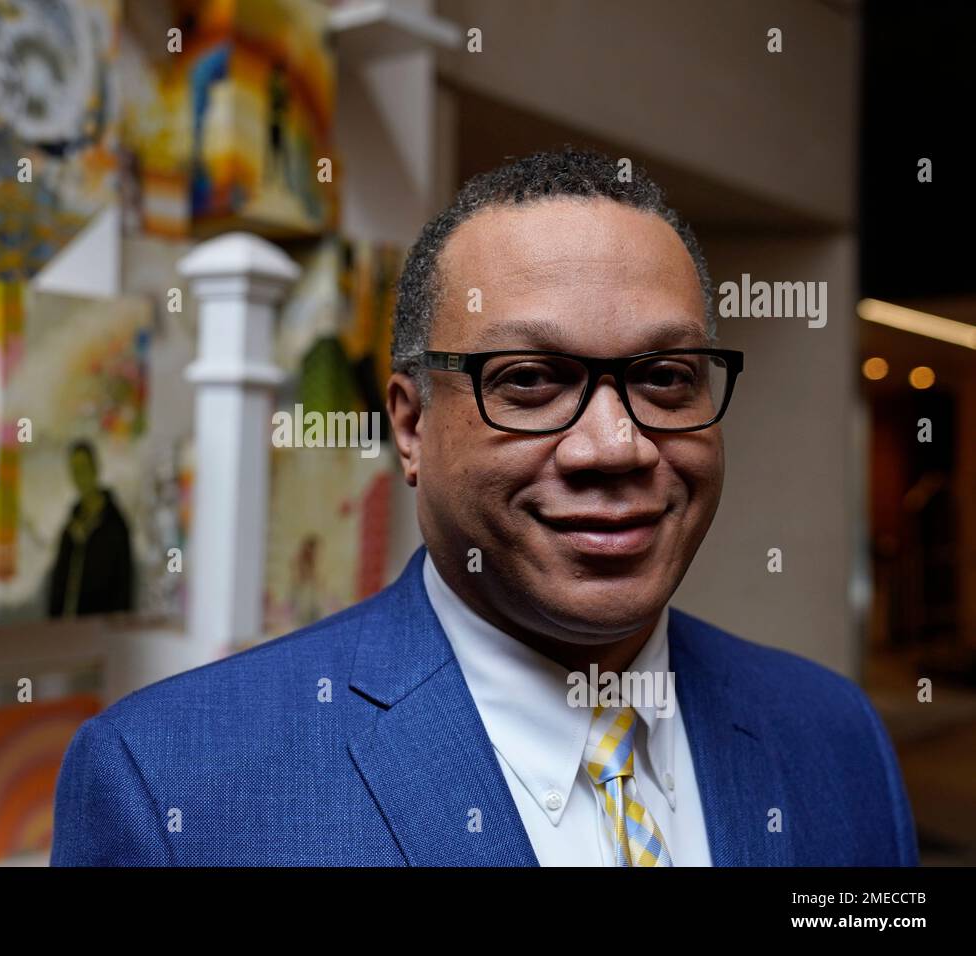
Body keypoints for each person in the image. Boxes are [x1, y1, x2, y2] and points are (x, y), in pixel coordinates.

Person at [51, 148, 918, 866]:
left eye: (663, 379)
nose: (614, 447)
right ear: (412, 425)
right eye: (531, 382)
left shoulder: (833, 738)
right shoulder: (174, 786)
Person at [47, 440, 134, 618]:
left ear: (95, 468)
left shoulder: (115, 525)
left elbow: (124, 585)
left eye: (84, 468)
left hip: (103, 628)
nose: (80, 476)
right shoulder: (71, 527)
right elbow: (59, 583)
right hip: (71, 627)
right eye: (75, 471)